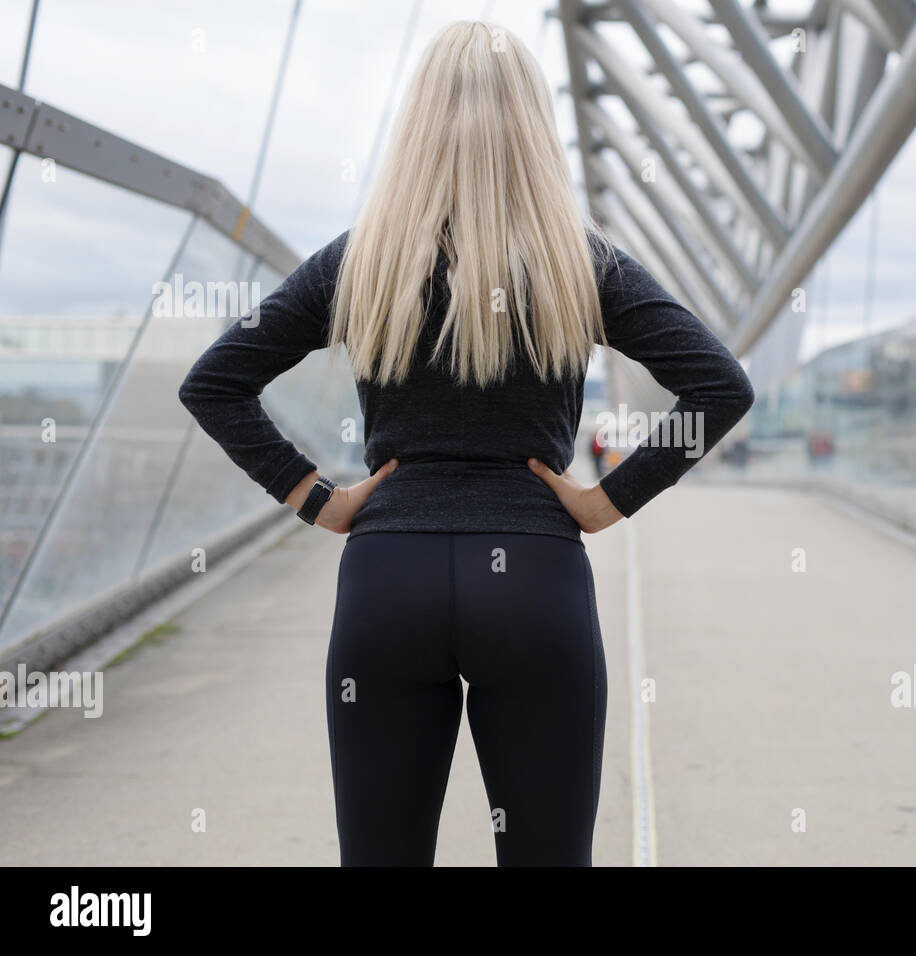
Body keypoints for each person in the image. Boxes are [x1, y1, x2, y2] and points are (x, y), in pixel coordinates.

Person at [177, 20, 754, 866]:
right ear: (534, 127)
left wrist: (316, 499)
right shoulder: (582, 265)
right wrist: (607, 500)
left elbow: (214, 381)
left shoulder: (359, 262)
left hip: (387, 582)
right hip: (536, 584)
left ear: (415, 123)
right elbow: (720, 385)